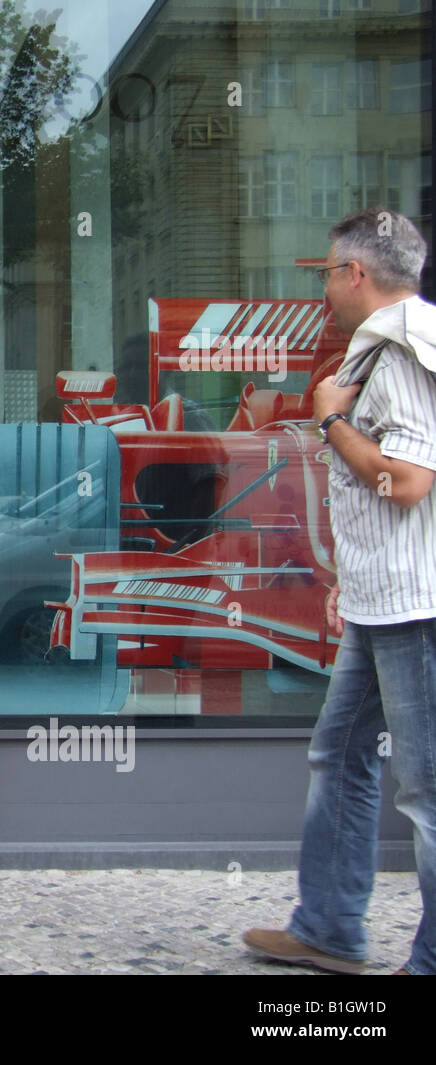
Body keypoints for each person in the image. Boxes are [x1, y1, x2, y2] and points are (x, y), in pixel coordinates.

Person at [243, 207, 436, 975]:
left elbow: (410, 482)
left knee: (424, 792)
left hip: (415, 605)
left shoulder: (405, 354)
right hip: (380, 599)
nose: (325, 286)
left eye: (328, 272)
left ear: (355, 275)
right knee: (340, 752)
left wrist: (329, 423)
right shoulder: (390, 346)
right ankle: (328, 926)